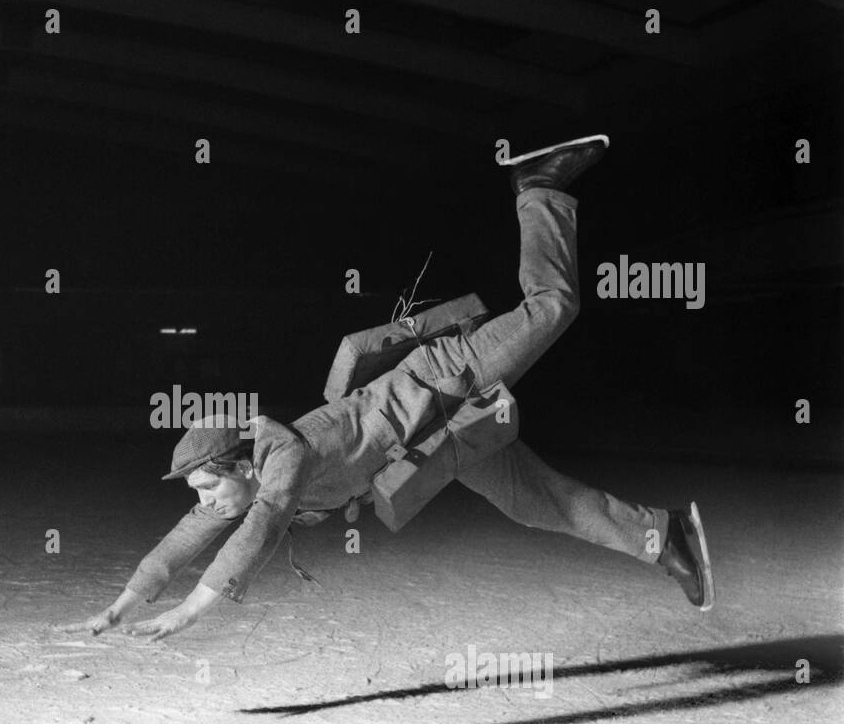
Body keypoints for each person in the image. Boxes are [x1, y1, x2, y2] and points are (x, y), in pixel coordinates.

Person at [69, 135, 714, 642]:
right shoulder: (249, 480)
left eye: (208, 485)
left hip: (445, 375)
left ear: (239, 463)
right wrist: (119, 607)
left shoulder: (289, 455)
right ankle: (665, 536)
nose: (206, 501)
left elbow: (258, 531)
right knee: (536, 502)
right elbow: (188, 533)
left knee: (552, 307)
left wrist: (189, 613)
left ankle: (536, 186)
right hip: (441, 439)